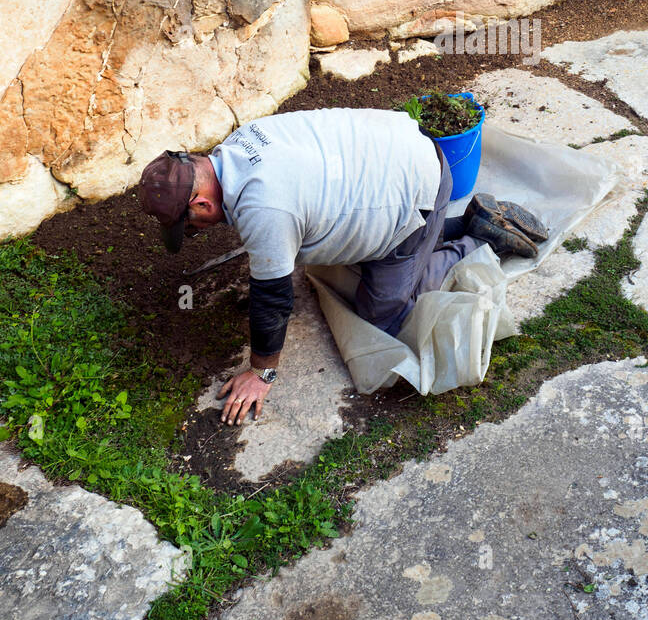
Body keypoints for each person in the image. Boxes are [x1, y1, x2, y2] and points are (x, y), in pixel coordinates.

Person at [137, 108, 547, 425]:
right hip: (403, 148)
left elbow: (274, 300)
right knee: (363, 248)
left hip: (418, 183)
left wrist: (262, 374)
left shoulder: (263, 206)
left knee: (385, 313)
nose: (197, 231)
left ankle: (479, 238)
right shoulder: (240, 143)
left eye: (191, 226)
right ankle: (456, 222)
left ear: (202, 204)